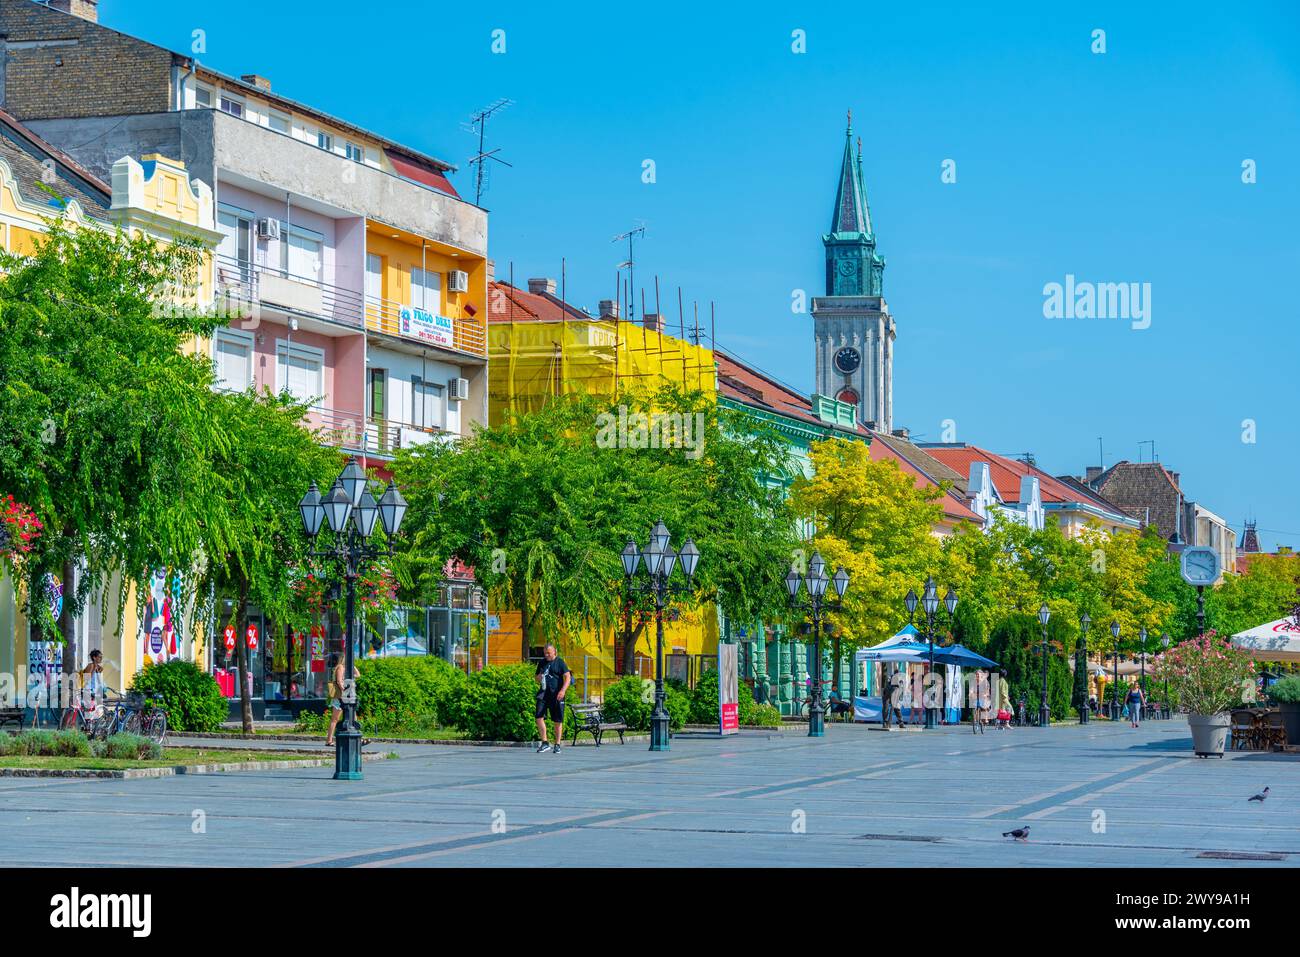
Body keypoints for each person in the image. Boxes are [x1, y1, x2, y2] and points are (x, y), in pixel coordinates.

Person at [534, 644, 571, 754]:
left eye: (548, 653)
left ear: (554, 652)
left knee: (557, 720)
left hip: (557, 694)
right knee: (538, 717)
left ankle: (557, 744)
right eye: (545, 653)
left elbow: (568, 677)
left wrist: (563, 690)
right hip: (543, 694)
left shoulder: (560, 662)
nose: (546, 655)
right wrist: (538, 677)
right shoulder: (542, 662)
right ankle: (545, 743)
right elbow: (536, 677)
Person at [325, 653, 344, 747]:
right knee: (335, 718)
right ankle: (329, 740)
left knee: (353, 716)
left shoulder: (343, 667)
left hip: (343, 696)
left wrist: (352, 666)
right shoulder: (340, 667)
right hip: (340, 696)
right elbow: (339, 681)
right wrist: (344, 691)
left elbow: (357, 674)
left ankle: (359, 738)